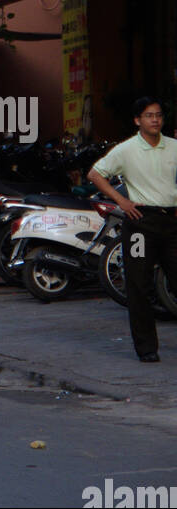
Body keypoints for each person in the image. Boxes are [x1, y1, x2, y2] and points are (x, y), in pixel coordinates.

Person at [88, 96, 177, 362]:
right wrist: (122, 202)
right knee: (139, 285)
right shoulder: (125, 150)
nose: (155, 120)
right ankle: (147, 348)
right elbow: (95, 174)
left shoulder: (173, 147)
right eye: (149, 116)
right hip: (140, 224)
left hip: (171, 222)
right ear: (138, 120)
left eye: (159, 115)